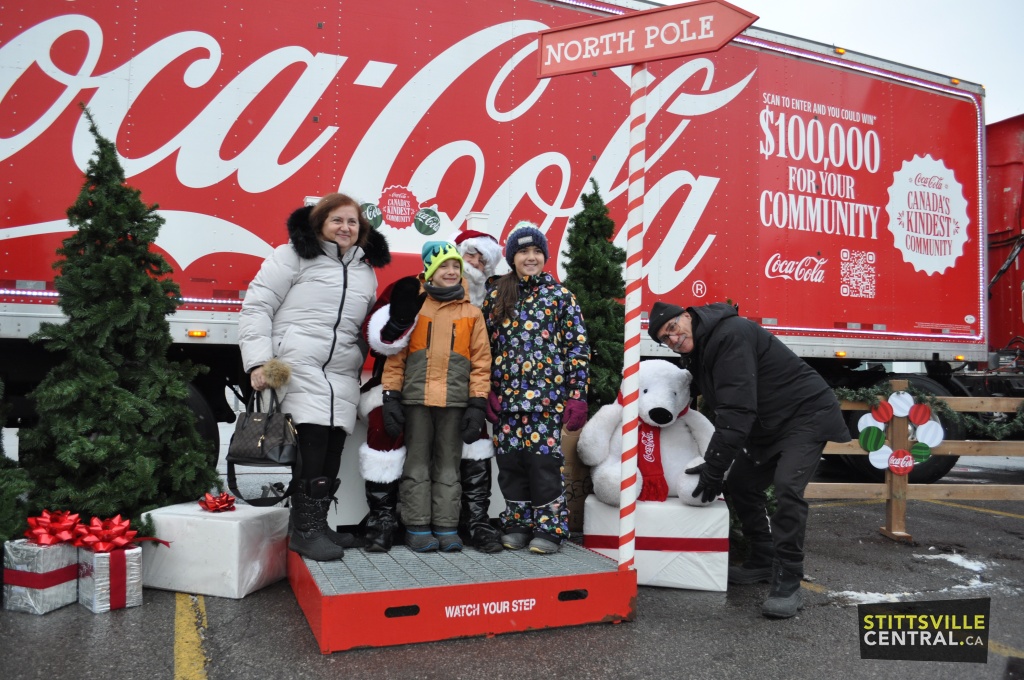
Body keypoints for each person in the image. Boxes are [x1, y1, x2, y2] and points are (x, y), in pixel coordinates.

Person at [647, 301, 851, 618]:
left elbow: (736, 412)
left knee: (787, 489)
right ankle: (762, 559)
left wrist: (714, 468)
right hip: (770, 424)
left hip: (804, 416)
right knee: (742, 484)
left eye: (673, 328)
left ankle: (788, 582)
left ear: (686, 317)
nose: (672, 338)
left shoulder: (730, 335)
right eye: (664, 338)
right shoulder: (700, 348)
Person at [238, 193, 390, 562]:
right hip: (298, 365)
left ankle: (317, 525)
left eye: (352, 222)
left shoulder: (363, 269)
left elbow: (362, 326)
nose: (345, 227)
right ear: (320, 222)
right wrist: (259, 362)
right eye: (337, 220)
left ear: (361, 228)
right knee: (311, 446)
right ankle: (303, 531)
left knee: (333, 451)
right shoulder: (292, 255)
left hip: (341, 372)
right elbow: (257, 305)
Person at [481, 222, 589, 555]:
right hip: (508, 400)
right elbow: (484, 346)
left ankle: (550, 528)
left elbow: (577, 347)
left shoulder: (561, 296)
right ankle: (517, 523)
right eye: (523, 252)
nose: (530, 257)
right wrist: (487, 389)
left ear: (544, 256)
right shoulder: (498, 295)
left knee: (542, 464)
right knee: (511, 463)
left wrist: (577, 395)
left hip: (547, 400)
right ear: (512, 258)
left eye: (536, 251)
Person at [381, 242, 492, 552]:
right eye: (444, 266)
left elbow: (482, 362)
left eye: (456, 266)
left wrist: (477, 402)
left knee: (448, 465)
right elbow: (395, 355)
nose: (452, 271)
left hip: (455, 403)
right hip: (416, 400)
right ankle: (417, 525)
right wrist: (391, 395)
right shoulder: (415, 305)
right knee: (416, 463)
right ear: (429, 269)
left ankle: (446, 525)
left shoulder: (472, 314)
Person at [453, 229, 505, 553]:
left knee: (477, 447)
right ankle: (433, 522)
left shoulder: (494, 299)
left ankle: (476, 522)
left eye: (482, 258)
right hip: (434, 385)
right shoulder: (436, 287)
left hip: (477, 386)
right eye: (470, 254)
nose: (475, 263)